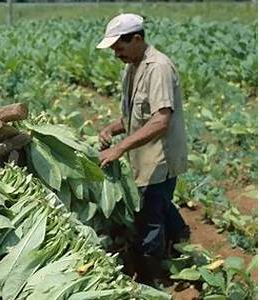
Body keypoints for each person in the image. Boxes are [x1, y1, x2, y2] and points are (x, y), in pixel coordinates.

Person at [96, 13, 190, 284]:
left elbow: (160, 120)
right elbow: (133, 116)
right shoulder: (132, 66)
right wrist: (111, 129)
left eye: (119, 48)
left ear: (137, 39)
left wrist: (119, 148)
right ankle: (181, 237)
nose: (116, 54)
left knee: (149, 218)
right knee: (156, 203)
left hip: (159, 156)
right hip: (142, 155)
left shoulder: (158, 67)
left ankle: (152, 279)